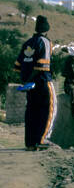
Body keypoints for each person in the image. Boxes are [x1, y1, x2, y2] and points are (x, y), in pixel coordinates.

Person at [17, 15, 57, 151]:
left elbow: (18, 65)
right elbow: (42, 66)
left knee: (32, 111)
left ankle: (30, 142)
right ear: (47, 30)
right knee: (49, 109)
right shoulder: (45, 42)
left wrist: (26, 81)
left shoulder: (27, 42)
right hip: (42, 80)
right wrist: (32, 78)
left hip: (29, 85)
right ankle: (42, 139)